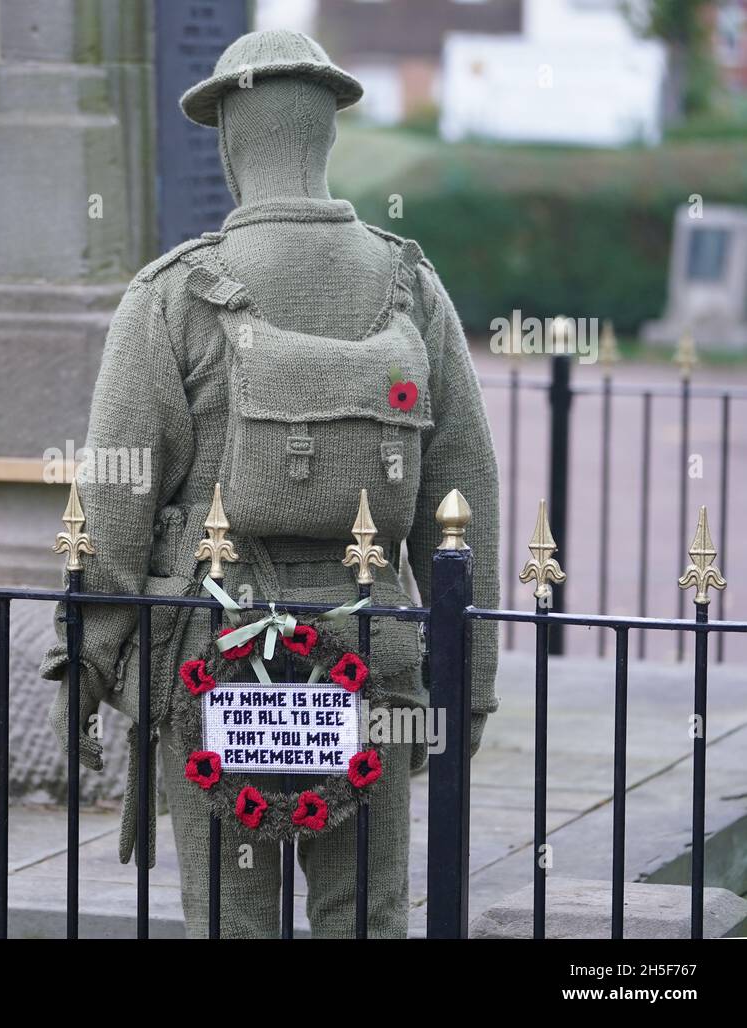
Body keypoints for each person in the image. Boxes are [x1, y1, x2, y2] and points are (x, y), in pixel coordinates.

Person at [39, 29, 500, 938]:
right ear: (327, 133)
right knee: (364, 912)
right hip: (374, 653)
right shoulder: (412, 286)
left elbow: (115, 508)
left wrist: (86, 666)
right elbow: (461, 494)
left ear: (228, 142)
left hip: (213, 655)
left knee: (231, 916)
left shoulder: (171, 295)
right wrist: (468, 683)